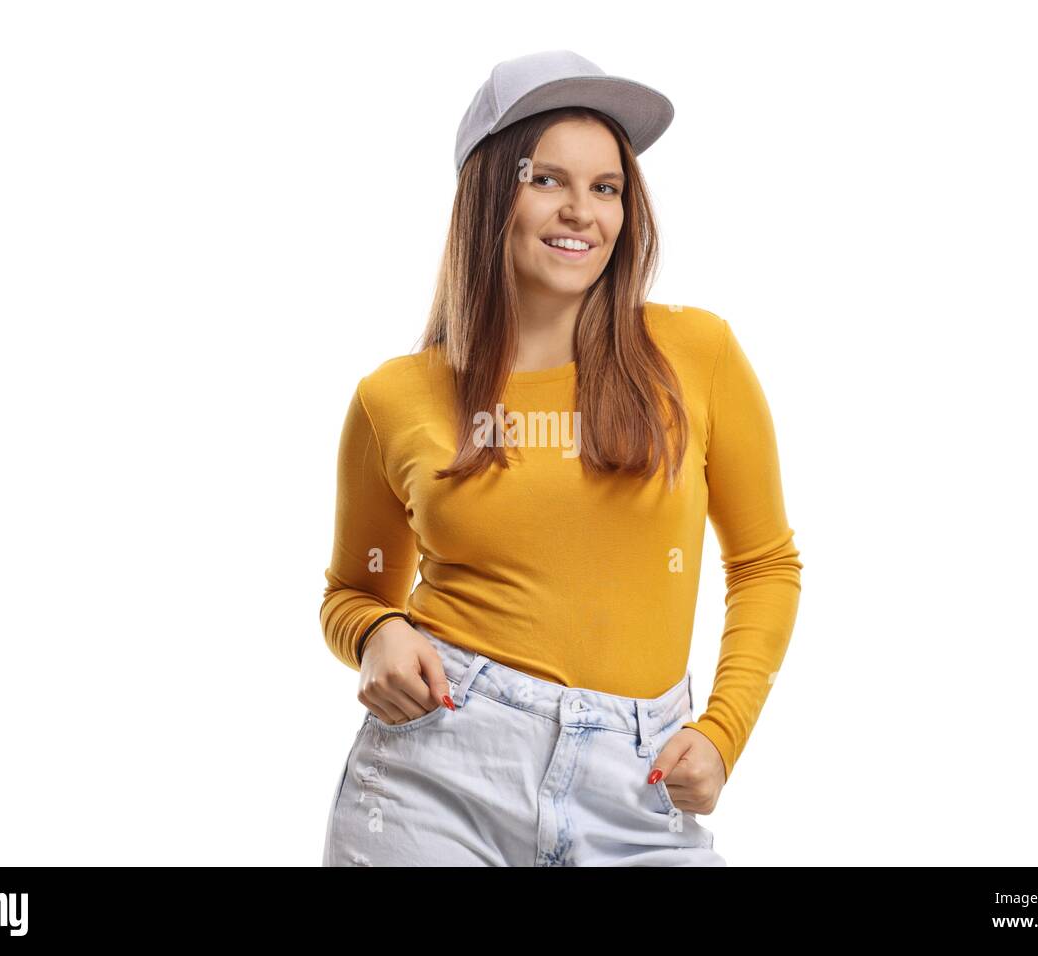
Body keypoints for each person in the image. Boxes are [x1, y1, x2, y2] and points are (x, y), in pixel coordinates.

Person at [319, 50, 802, 866]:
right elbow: (353, 591)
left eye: (606, 187)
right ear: (487, 197)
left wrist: (723, 733)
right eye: (546, 180)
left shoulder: (697, 353)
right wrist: (377, 633)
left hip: (640, 786)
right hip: (437, 776)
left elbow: (765, 563)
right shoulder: (393, 398)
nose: (582, 211)